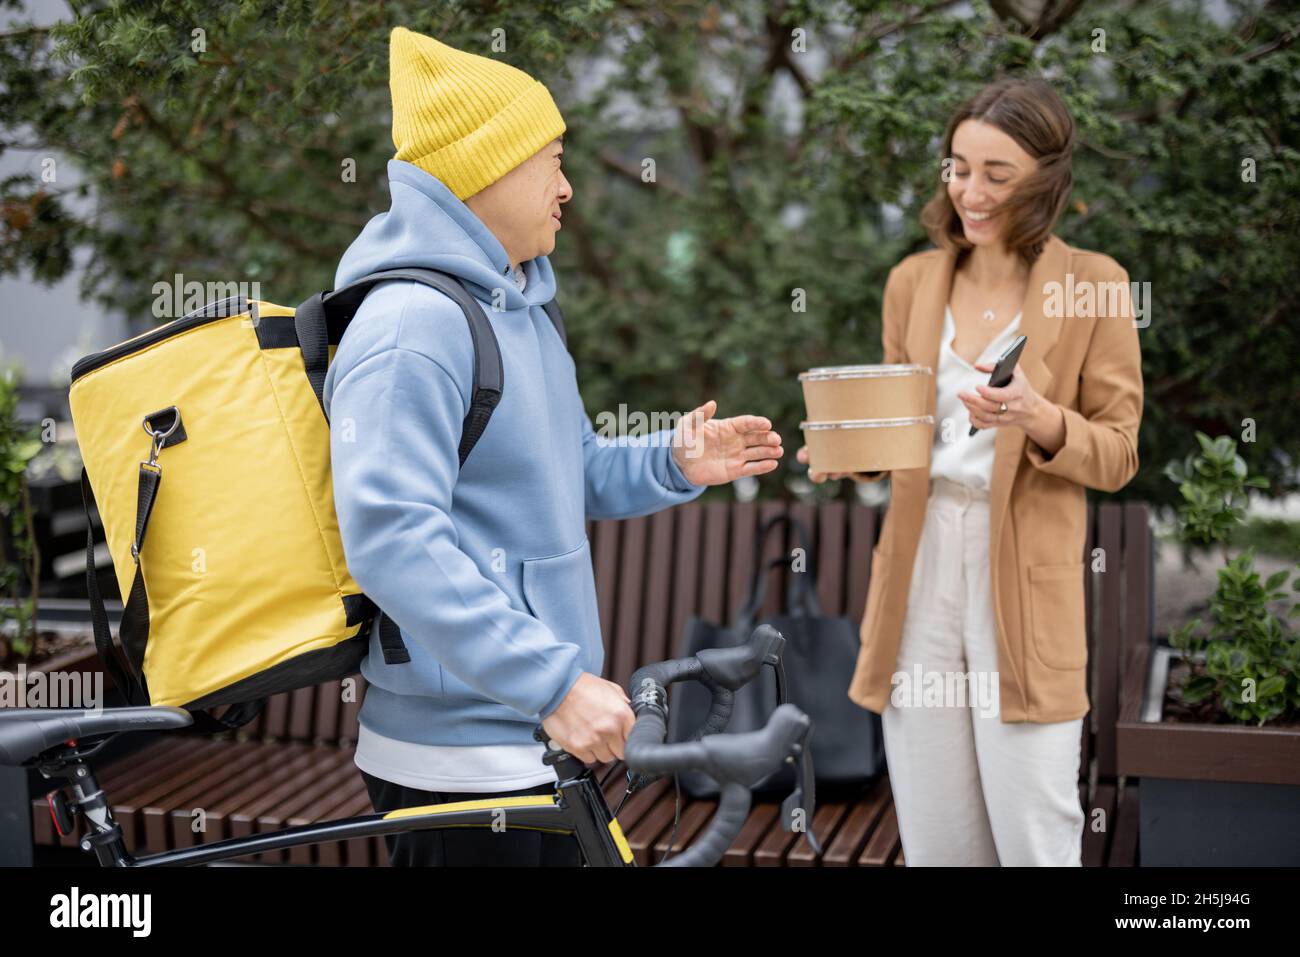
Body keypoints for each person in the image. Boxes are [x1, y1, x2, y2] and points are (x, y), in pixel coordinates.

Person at [325, 27, 784, 866]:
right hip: (456, 765)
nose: (568, 186)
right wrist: (554, 682)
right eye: (553, 159)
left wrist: (672, 462)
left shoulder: (523, 308)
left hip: (535, 738)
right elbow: (390, 535)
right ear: (484, 167)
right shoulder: (410, 326)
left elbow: (569, 468)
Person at [798, 78, 1143, 866]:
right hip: (919, 574)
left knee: (1032, 833)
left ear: (1046, 181)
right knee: (940, 840)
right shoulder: (913, 282)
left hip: (1022, 576)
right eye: (958, 167)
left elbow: (1120, 450)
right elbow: (898, 432)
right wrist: (850, 453)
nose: (970, 192)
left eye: (997, 173)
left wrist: (1039, 415)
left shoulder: (1095, 283)